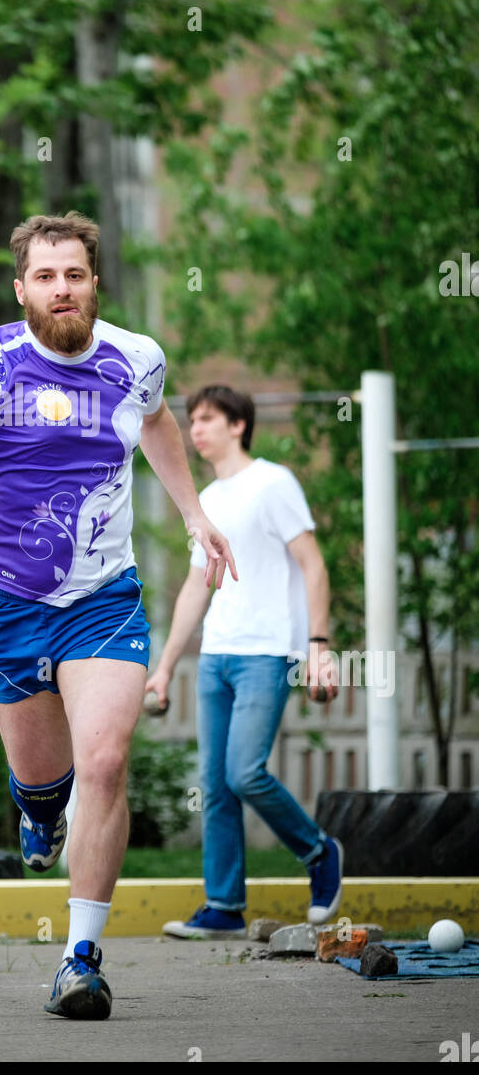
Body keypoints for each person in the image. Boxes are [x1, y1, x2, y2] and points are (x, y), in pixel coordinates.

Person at [0, 213, 237, 1019]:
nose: (61, 289)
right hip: (6, 606)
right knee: (44, 782)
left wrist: (194, 514)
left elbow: (157, 422)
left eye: (74, 275)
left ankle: (80, 960)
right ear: (21, 289)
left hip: (102, 600)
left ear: (94, 282)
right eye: (45, 277)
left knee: (103, 762)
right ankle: (39, 814)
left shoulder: (137, 358)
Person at [146, 384, 342, 939]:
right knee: (215, 785)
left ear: (238, 425)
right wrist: (165, 667)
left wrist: (319, 645)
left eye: (207, 418)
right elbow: (195, 588)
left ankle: (319, 851)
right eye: (192, 420)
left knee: (245, 773)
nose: (195, 429)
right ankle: (225, 906)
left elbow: (313, 565)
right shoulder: (204, 499)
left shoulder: (273, 483)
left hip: (268, 650)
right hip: (216, 654)